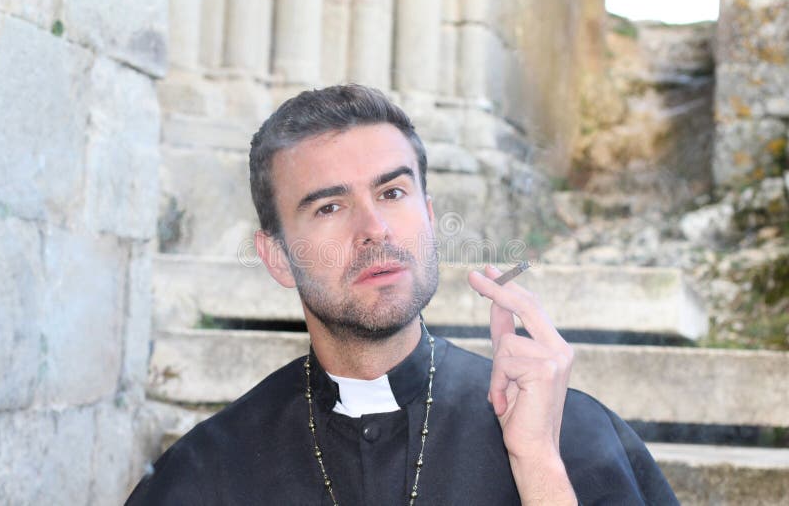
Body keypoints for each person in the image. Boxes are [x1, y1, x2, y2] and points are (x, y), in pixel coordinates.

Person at [126, 84, 677, 505]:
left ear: (431, 219)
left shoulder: (573, 437)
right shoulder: (207, 473)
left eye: (392, 192)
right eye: (329, 207)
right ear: (276, 257)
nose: (375, 229)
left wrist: (538, 465)